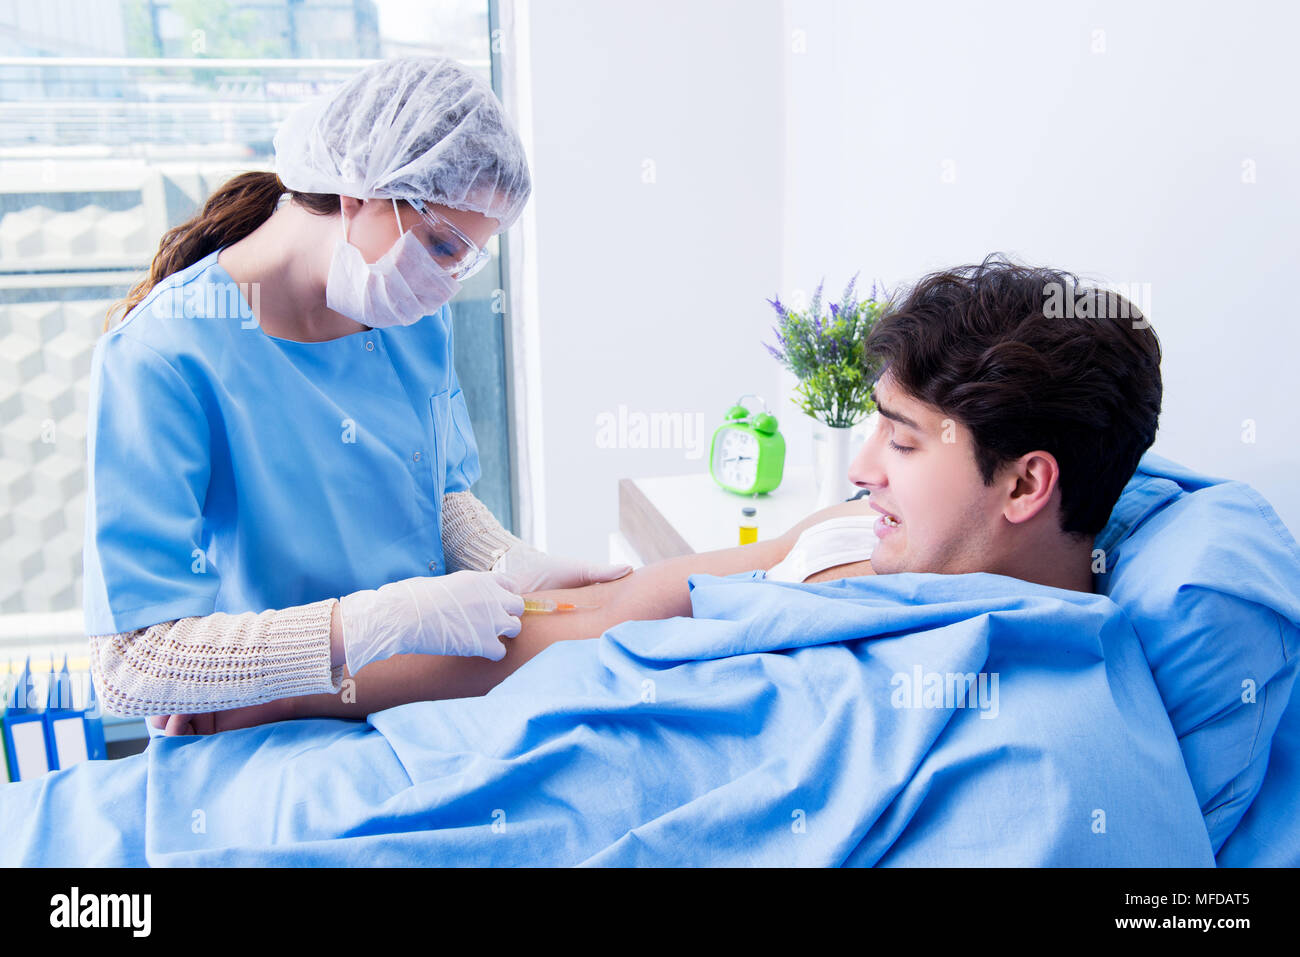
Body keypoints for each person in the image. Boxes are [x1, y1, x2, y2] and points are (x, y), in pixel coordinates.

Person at [158, 254, 1162, 734]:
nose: (862, 465)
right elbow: (628, 605)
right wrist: (288, 687)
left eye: (900, 441)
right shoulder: (856, 533)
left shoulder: (996, 673)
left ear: (1028, 483)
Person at [85, 56, 631, 732]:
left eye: (467, 259)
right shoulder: (165, 358)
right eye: (440, 243)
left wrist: (506, 561)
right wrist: (373, 621)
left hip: (421, 694)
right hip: (267, 732)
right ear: (358, 191)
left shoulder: (408, 308)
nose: (448, 281)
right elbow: (133, 664)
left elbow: (434, 493)